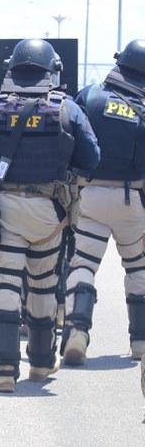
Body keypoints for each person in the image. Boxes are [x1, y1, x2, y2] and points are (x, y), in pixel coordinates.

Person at [0, 38, 99, 392]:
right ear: (52, 71)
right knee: (44, 285)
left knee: (5, 283)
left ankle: (4, 369)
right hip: (50, 212)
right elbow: (92, 158)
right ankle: (40, 363)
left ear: (12, 69)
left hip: (3, 207)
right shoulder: (68, 109)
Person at [62, 39, 145, 364]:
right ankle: (140, 343)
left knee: (83, 264)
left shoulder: (91, 95)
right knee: (138, 268)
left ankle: (77, 330)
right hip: (133, 201)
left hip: (91, 196)